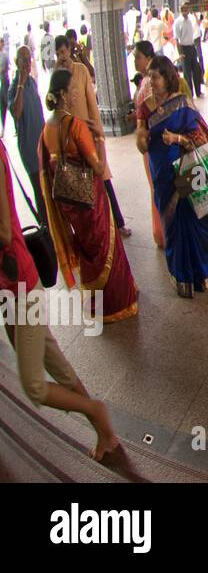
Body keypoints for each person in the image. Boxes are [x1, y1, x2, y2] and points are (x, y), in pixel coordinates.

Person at [1, 140, 122, 462]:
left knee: (35, 387)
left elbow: (2, 230)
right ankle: (106, 435)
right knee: (55, 363)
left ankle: (95, 410)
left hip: (17, 285)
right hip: (9, 287)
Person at [138, 55, 208, 297]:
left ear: (167, 78)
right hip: (161, 175)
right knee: (172, 225)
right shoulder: (145, 106)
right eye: (149, 77)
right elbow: (142, 142)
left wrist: (176, 139)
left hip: (187, 173)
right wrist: (141, 137)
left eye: (155, 77)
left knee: (196, 220)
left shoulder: (183, 105)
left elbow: (201, 140)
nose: (151, 82)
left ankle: (205, 268)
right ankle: (181, 275)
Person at [39, 70, 139, 322]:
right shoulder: (76, 126)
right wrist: (100, 138)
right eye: (72, 90)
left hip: (68, 202)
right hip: (89, 200)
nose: (76, 94)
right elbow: (97, 167)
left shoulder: (46, 128)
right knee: (105, 246)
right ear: (62, 94)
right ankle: (117, 304)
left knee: (86, 248)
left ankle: (96, 303)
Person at [54, 36, 129, 238]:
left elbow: (91, 101)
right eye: (58, 53)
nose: (61, 56)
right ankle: (94, 229)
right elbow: (53, 104)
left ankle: (119, 223)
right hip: (70, 137)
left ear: (69, 50)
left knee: (103, 176)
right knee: (81, 182)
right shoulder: (57, 74)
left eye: (63, 52)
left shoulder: (81, 70)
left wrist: (98, 131)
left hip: (87, 131)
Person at [131, 42, 165, 248]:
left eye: (138, 57)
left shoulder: (148, 86)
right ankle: (163, 233)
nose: (135, 61)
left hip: (164, 147)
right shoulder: (145, 85)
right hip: (155, 148)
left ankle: (164, 233)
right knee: (158, 188)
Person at [7, 46, 45, 226]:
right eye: (23, 60)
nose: (27, 63)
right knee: (40, 192)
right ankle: (46, 231)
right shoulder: (14, 87)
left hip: (42, 143)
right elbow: (17, 111)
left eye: (29, 59)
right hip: (29, 148)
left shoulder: (33, 82)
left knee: (49, 189)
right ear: (16, 62)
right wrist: (21, 83)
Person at [174, 10, 203, 98]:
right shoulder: (178, 22)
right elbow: (177, 39)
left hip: (191, 46)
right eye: (184, 9)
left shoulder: (190, 19)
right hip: (184, 48)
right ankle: (190, 93)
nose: (186, 11)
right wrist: (180, 53)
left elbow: (197, 27)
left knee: (196, 69)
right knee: (187, 73)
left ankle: (198, 91)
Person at [0, 34, 9, 137]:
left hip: (5, 83)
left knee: (7, 104)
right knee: (2, 107)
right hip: (2, 83)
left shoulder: (4, 55)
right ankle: (3, 128)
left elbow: (2, 68)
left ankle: (16, 126)